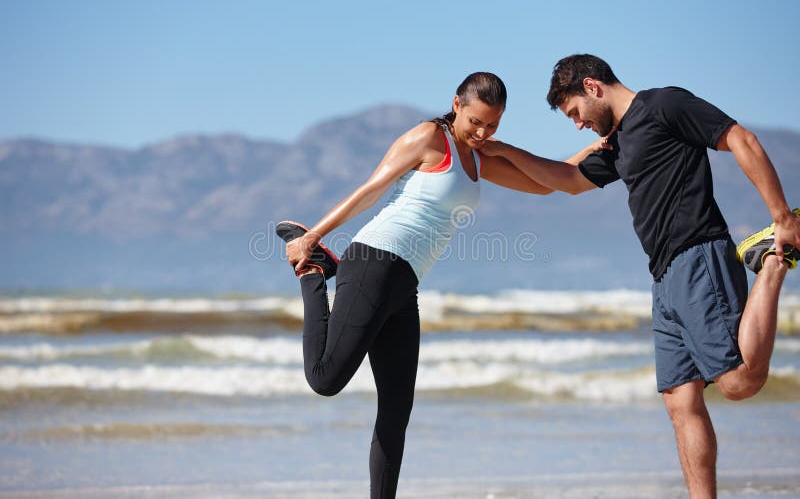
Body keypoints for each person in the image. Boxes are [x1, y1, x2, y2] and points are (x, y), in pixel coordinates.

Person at [480, 54, 800, 499]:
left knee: (739, 381)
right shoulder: (618, 142)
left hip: (698, 254)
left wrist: (781, 215)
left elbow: (740, 139)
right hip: (663, 277)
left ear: (592, 87)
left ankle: (771, 262)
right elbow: (563, 181)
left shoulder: (664, 105)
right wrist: (493, 153)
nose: (577, 125)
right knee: (679, 401)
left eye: (574, 113)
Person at [276, 72, 607, 499]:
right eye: (475, 122)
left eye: (493, 125)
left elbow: (543, 185)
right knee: (325, 380)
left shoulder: (478, 157)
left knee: (396, 412)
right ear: (456, 104)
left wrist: (586, 151)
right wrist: (312, 237)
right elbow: (371, 189)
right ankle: (315, 273)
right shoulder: (428, 138)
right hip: (373, 262)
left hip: (405, 283)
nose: (483, 132)